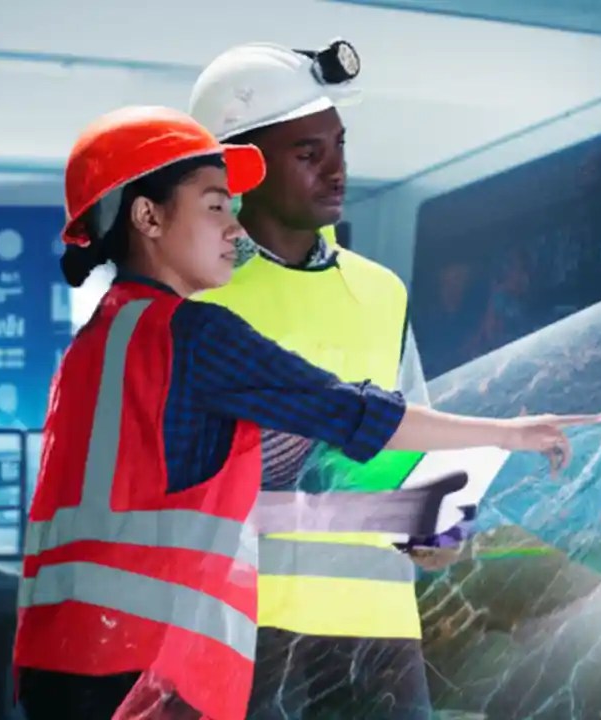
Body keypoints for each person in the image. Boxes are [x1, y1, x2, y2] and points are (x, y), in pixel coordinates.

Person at [12, 104, 595, 720]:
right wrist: (509, 432)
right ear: (148, 216)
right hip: (147, 670)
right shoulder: (195, 335)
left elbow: (174, 510)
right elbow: (350, 412)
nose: (234, 231)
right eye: (215, 207)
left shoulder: (88, 347)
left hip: (58, 661)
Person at [187, 39, 458, 719]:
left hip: (378, 631)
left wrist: (444, 521)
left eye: (340, 145)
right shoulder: (189, 303)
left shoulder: (382, 292)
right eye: (309, 154)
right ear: (239, 169)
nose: (338, 170)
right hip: (243, 633)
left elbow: (416, 447)